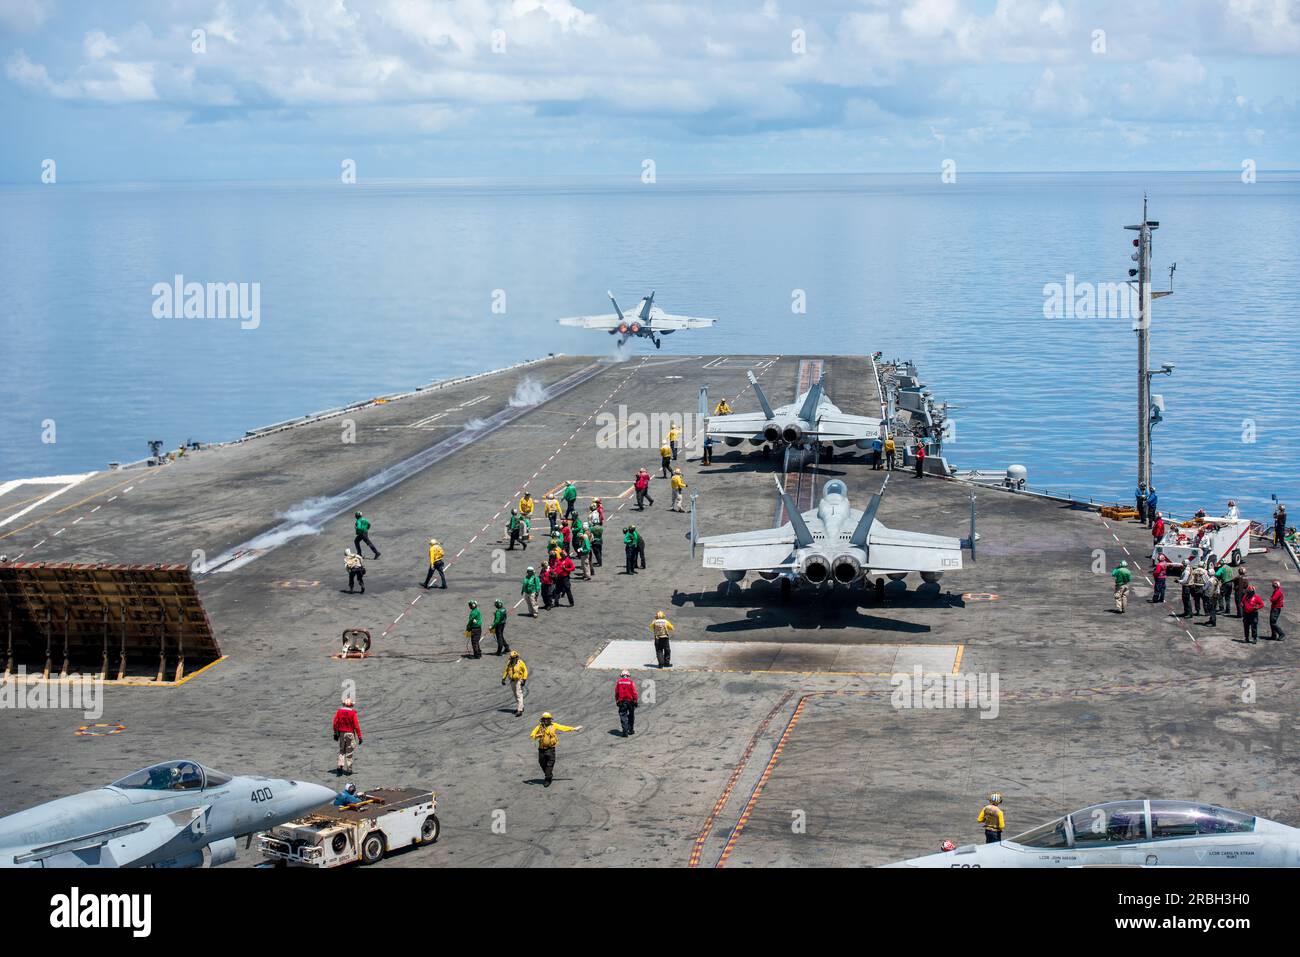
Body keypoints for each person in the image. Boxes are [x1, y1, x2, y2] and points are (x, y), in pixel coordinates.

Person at [530, 712, 582, 787]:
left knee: (550, 764)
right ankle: (548, 774)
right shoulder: (539, 727)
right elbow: (532, 735)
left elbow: (563, 728)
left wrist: (574, 729)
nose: (546, 720)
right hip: (541, 749)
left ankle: (548, 778)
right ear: (542, 720)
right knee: (541, 763)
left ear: (550, 719)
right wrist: (538, 735)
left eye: (548, 719)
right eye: (545, 719)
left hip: (550, 749)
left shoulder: (554, 725)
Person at [332, 697, 362, 776]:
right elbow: (356, 726)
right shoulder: (353, 713)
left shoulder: (339, 711)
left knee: (342, 750)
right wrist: (359, 737)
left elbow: (335, 723)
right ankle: (349, 769)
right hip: (350, 734)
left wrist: (335, 733)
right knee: (349, 752)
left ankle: (340, 765)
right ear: (351, 705)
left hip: (342, 733)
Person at [502, 650, 528, 716]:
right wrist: (503, 678)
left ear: (516, 657)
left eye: (513, 658)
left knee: (519, 694)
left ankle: (520, 710)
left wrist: (524, 680)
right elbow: (506, 670)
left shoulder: (520, 663)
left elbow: (525, 671)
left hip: (519, 680)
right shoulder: (509, 663)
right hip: (512, 680)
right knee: (515, 695)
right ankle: (521, 706)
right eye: (511, 658)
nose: (512, 659)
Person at [615, 669, 638, 736]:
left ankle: (625, 730)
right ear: (628, 675)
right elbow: (634, 692)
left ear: (621, 675)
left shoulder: (619, 682)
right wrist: (635, 700)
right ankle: (630, 730)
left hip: (622, 701)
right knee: (631, 715)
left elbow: (616, 692)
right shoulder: (631, 682)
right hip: (630, 701)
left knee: (623, 715)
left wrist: (617, 700)